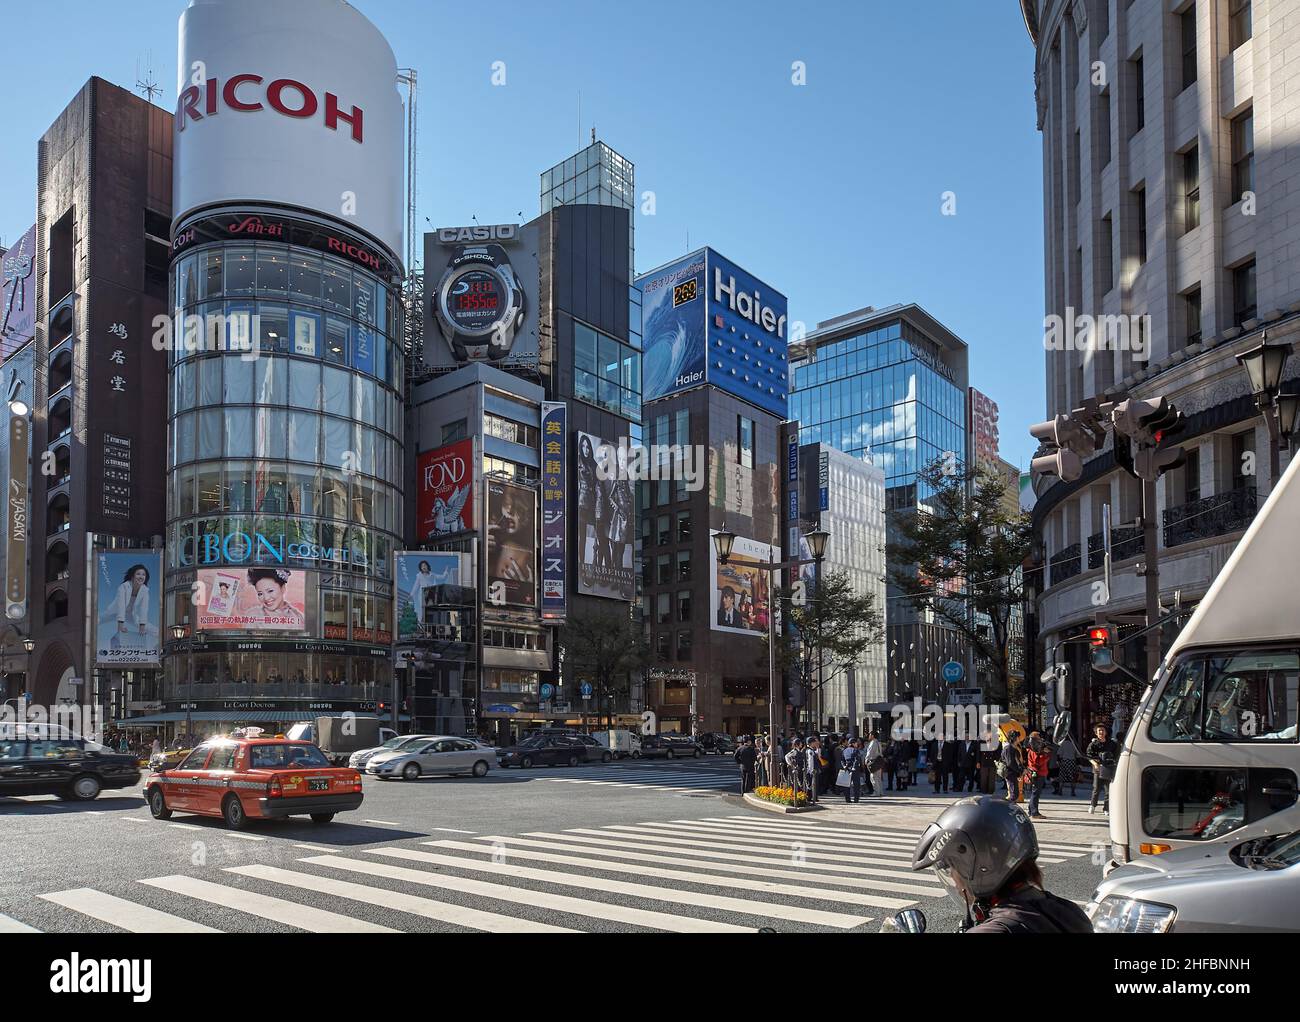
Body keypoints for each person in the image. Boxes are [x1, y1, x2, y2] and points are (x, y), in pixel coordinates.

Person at [910, 797, 1094, 933]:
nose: (953, 879)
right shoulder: (1071, 912)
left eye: (952, 868)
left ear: (980, 865)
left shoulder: (997, 930)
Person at [112, 563, 154, 648]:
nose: (141, 577)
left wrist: (142, 626)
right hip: (114, 612)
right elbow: (121, 606)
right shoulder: (123, 587)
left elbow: (144, 609)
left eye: (143, 574)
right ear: (132, 576)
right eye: (138, 574)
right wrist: (121, 626)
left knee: (153, 629)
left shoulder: (145, 590)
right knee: (99, 619)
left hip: (131, 614)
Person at [1086, 723, 1118, 814]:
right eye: (1099, 730)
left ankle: (1106, 808)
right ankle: (1092, 805)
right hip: (1098, 769)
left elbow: (1116, 755)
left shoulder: (1112, 743)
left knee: (1108, 790)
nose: (1101, 732)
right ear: (1096, 733)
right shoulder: (1093, 744)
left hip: (1109, 768)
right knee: (1096, 788)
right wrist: (1095, 764)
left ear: (1106, 732)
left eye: (1103, 730)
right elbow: (1089, 756)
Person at [1025, 731, 1050, 818]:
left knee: (1034, 792)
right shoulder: (1034, 749)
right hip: (1037, 773)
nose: (1040, 739)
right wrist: (1046, 754)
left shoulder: (1034, 748)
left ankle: (1031, 810)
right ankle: (1034, 813)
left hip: (1036, 772)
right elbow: (1038, 762)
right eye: (1038, 737)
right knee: (1036, 793)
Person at [1000, 732, 1024, 802]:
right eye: (1018, 737)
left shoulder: (1015, 748)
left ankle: (1009, 807)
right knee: (1014, 794)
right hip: (1009, 773)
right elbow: (1010, 763)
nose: (1019, 739)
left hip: (1013, 773)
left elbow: (1018, 761)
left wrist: (1023, 769)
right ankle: (1006, 807)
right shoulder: (1008, 748)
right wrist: (1020, 771)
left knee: (1015, 794)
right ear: (1015, 738)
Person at [864, 730, 885, 798]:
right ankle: (880, 792)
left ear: (872, 736)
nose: (869, 736)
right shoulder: (878, 743)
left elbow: (869, 753)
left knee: (873, 777)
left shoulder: (872, 743)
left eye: (870, 735)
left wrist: (866, 760)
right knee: (878, 778)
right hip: (879, 761)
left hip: (873, 761)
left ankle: (876, 792)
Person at [805, 736, 823, 804]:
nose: (815, 743)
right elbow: (810, 762)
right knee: (811, 784)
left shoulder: (812, 750)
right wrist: (811, 770)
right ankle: (809, 797)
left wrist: (818, 748)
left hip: (813, 770)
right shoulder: (810, 751)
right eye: (814, 742)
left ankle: (812, 797)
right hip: (812, 770)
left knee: (813, 784)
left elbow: (818, 755)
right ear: (810, 743)